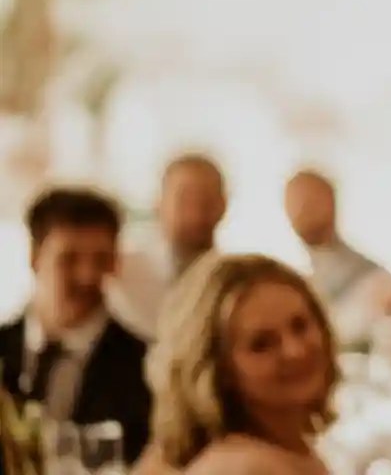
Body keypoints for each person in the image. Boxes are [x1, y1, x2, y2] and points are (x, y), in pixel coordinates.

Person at [135, 253, 337, 474]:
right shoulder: (239, 467)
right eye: (261, 344)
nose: (295, 351)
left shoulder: (288, 449)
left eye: (300, 326)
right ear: (220, 370)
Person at [0, 188, 152, 464]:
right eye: (69, 259)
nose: (88, 276)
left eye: (101, 260)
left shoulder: (146, 368)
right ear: (34, 257)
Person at [107, 154, 227, 340]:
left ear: (223, 205)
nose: (195, 212)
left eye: (206, 200)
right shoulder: (120, 273)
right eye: (184, 199)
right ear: (158, 203)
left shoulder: (236, 282)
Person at [284, 169, 391, 351]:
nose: (300, 211)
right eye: (293, 204)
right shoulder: (291, 282)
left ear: (331, 201)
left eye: (309, 200)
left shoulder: (377, 281)